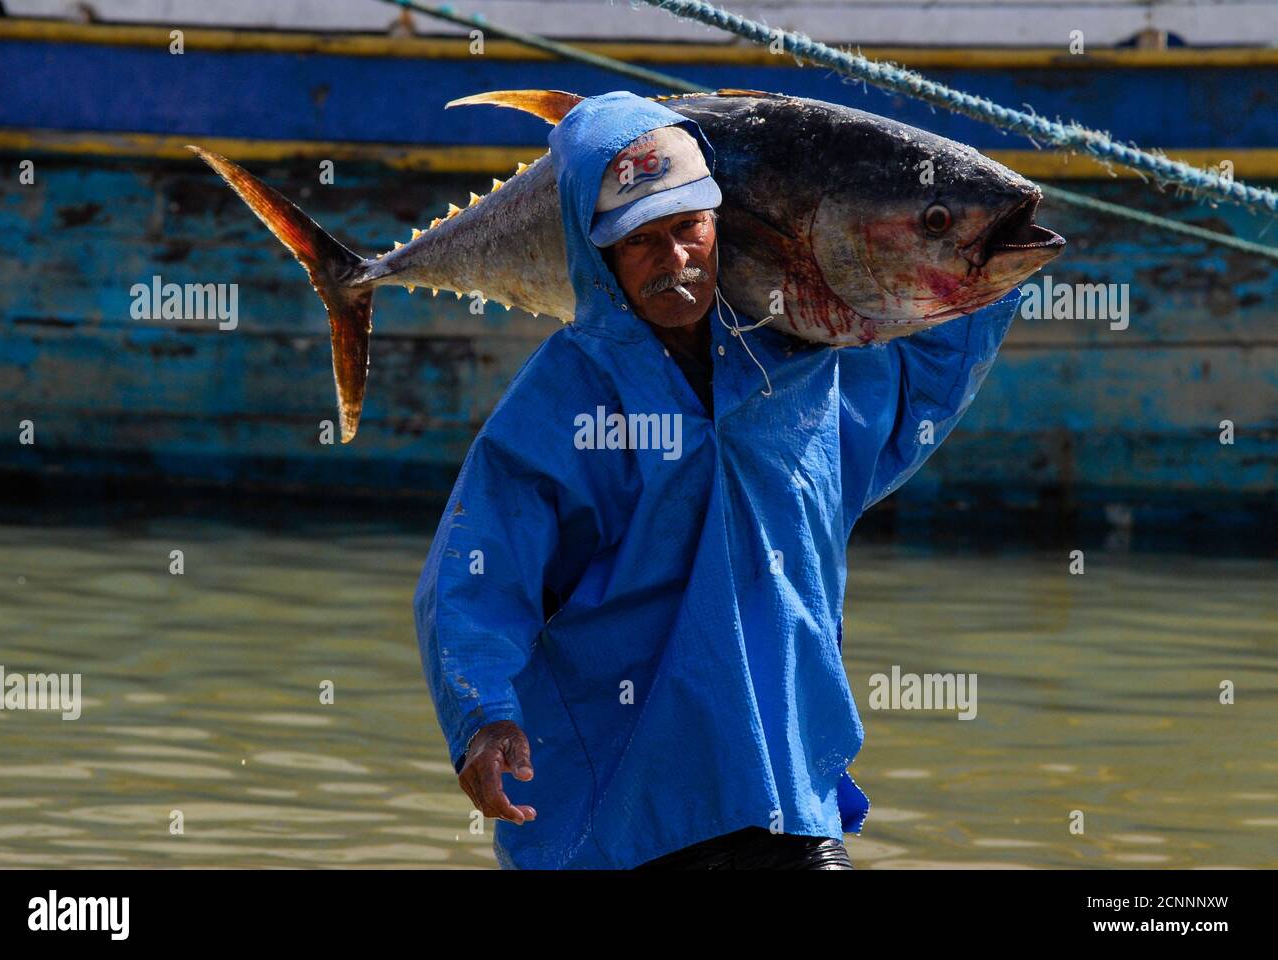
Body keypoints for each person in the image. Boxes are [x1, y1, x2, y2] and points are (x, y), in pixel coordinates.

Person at [413, 90, 1020, 869]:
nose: (675, 262)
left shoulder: (802, 373)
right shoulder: (559, 407)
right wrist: (485, 717)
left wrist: (984, 258)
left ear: (719, 226)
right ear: (598, 255)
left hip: (785, 791)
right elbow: (475, 574)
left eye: (688, 229)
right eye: (640, 242)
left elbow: (918, 394)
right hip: (622, 812)